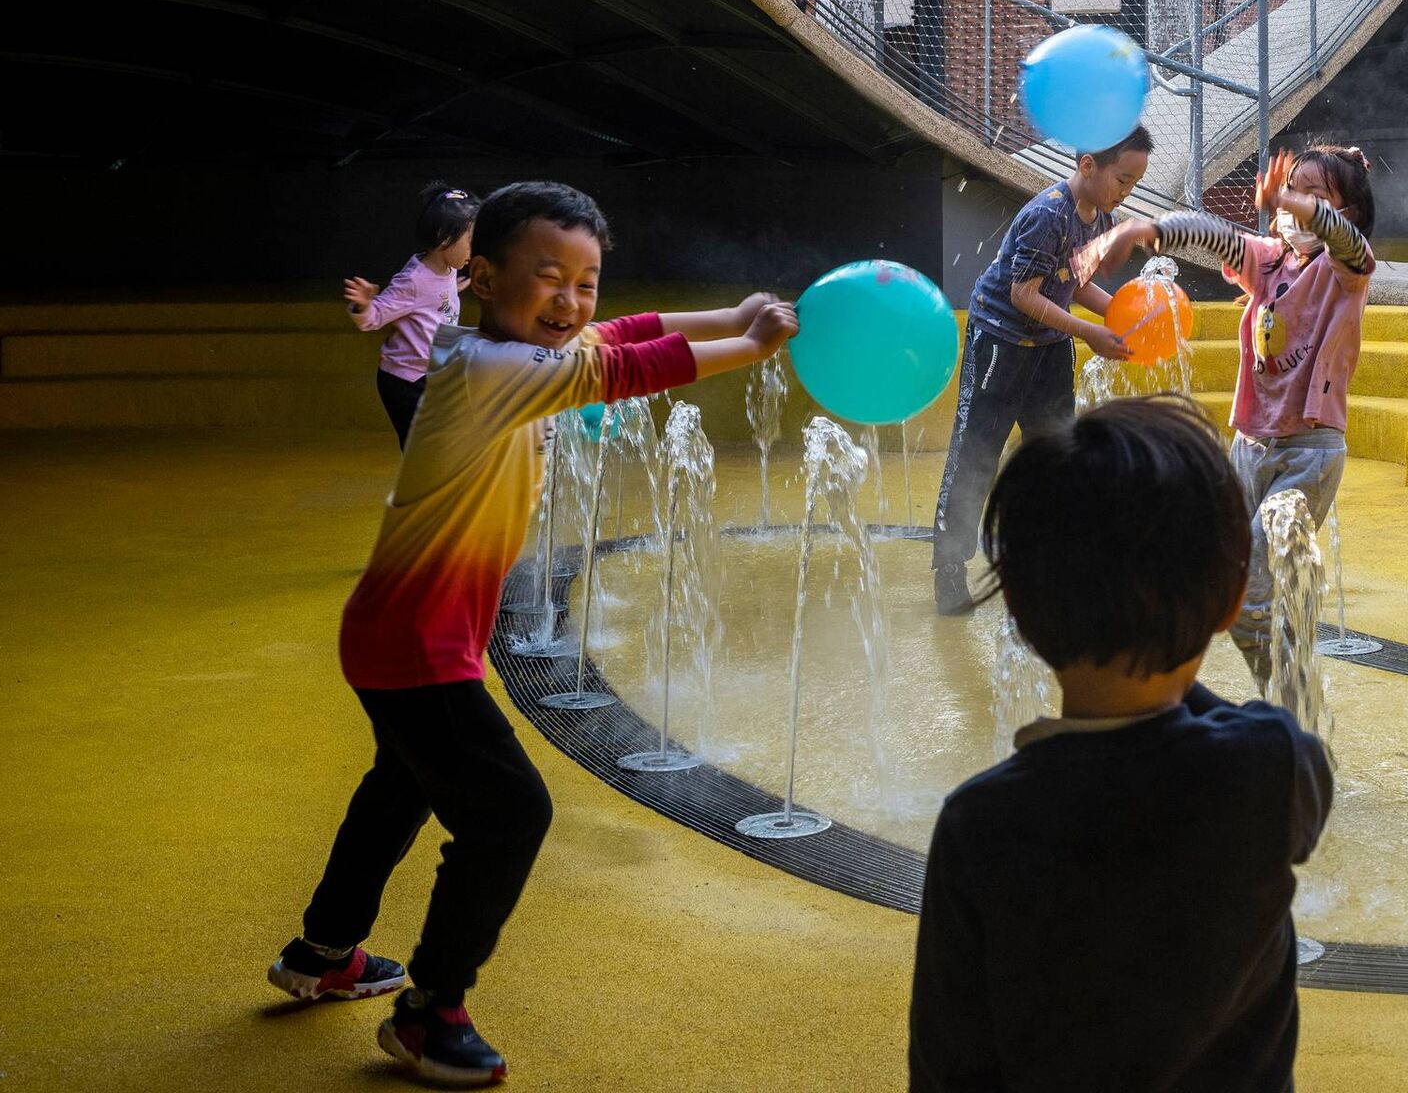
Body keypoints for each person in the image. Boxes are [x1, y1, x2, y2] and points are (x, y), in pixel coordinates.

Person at [268, 180, 798, 1088]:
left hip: (406, 631)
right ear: (478, 277)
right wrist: (749, 344)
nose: (572, 301)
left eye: (587, 281)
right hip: (417, 643)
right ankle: (430, 1013)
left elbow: (626, 333)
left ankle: (321, 953)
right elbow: (628, 368)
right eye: (548, 277)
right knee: (511, 813)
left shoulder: (508, 346)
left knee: (404, 784)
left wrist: (730, 307)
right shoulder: (488, 369)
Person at [909, 397, 1333, 1092]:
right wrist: (1181, 641)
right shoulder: (1271, 766)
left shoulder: (979, 822)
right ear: (1230, 602)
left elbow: (947, 1063)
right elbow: (1258, 749)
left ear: (1014, 603)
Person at [1077, 144, 1376, 684]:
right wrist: (1140, 231)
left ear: (1344, 212)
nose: (1295, 206)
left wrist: (1289, 198)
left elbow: (1345, 239)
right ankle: (1292, 710)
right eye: (1292, 191)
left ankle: (1290, 692)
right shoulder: (1268, 261)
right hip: (1250, 448)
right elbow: (1209, 232)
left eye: (1314, 195)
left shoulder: (1346, 273)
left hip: (1309, 454)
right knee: (1248, 581)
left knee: (1247, 598)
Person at [930, 126, 1151, 615]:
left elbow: (1077, 282)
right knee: (977, 451)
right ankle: (949, 566)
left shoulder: (1101, 215)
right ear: (1088, 164)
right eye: (1123, 178)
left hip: (1050, 348)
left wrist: (1122, 315)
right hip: (1001, 343)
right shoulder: (1047, 215)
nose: (1127, 191)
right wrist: (1089, 333)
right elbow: (1023, 295)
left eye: (1134, 182)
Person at [344, 182, 481, 446]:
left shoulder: (448, 271)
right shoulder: (413, 281)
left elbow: (436, 298)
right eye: (471, 240)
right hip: (405, 380)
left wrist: (454, 290)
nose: (476, 250)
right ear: (443, 238)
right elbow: (373, 318)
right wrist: (363, 304)